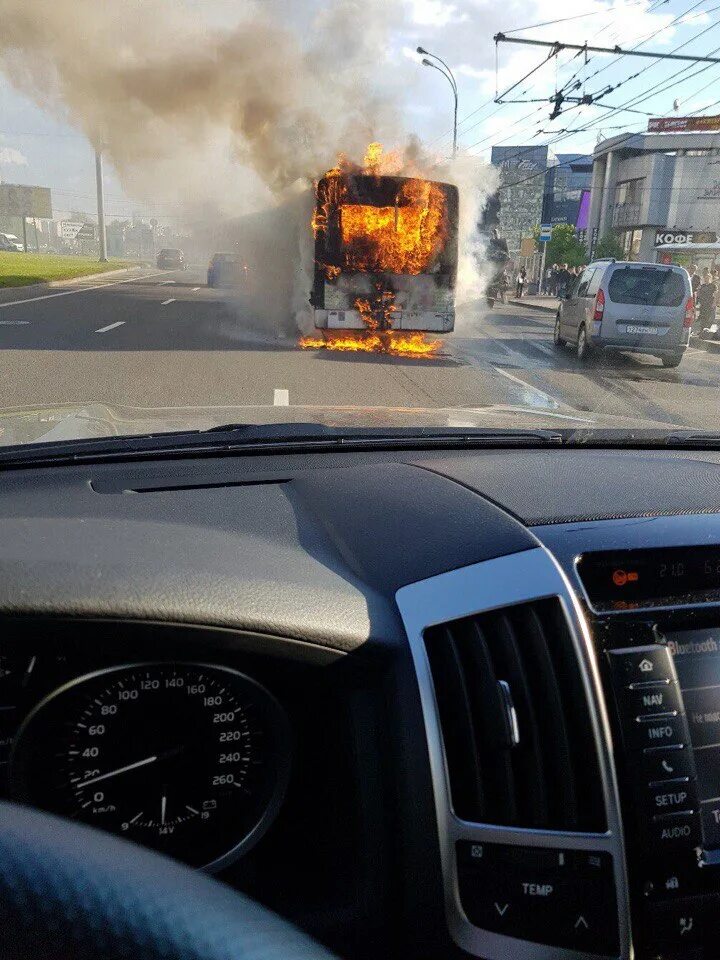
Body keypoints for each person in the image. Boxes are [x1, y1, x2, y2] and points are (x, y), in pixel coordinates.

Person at [696, 268, 717, 337]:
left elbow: (715, 295)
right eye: (705, 278)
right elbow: (698, 294)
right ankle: (702, 330)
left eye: (708, 278)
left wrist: (714, 303)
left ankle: (706, 332)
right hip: (703, 304)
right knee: (703, 317)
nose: (706, 279)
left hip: (710, 304)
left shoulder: (713, 286)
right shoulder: (702, 286)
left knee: (709, 318)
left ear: (710, 278)